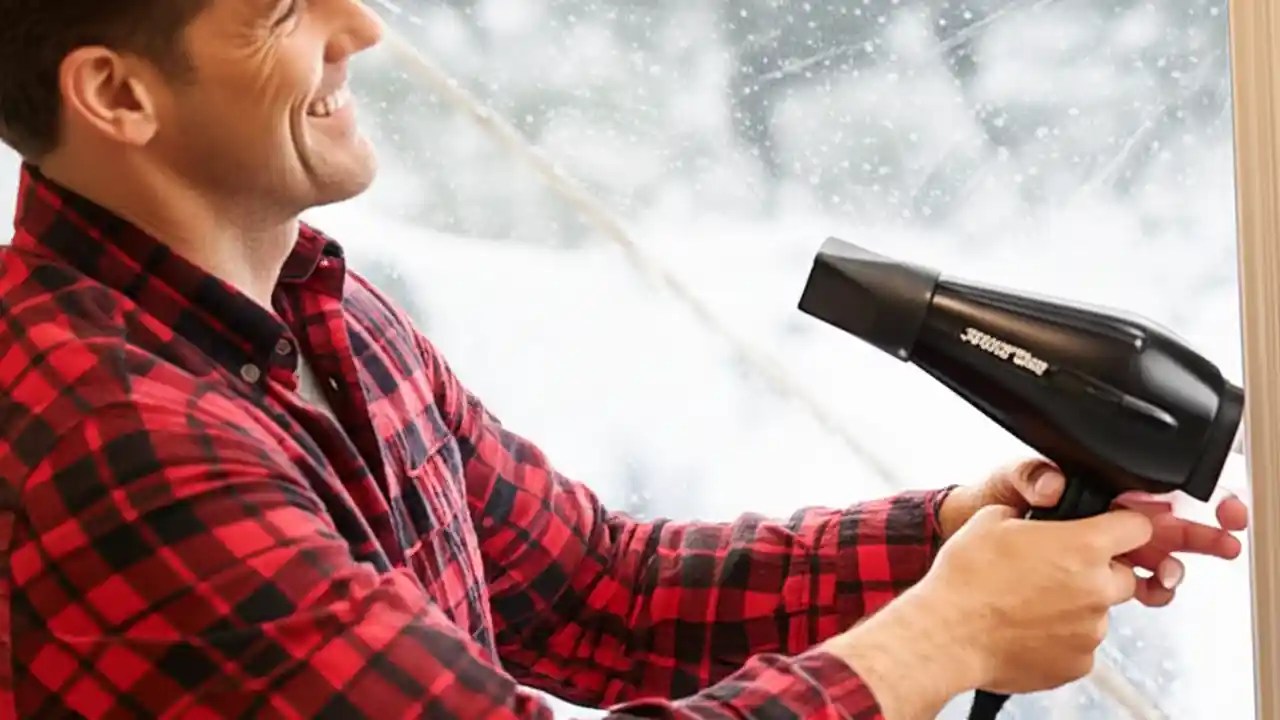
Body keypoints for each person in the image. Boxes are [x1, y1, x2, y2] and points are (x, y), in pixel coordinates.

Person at [0, 1, 1249, 718]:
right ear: (116, 94)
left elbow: (592, 593)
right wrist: (951, 638)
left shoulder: (316, 307)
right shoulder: (110, 432)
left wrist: (949, 537)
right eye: (281, 9)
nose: (361, 27)